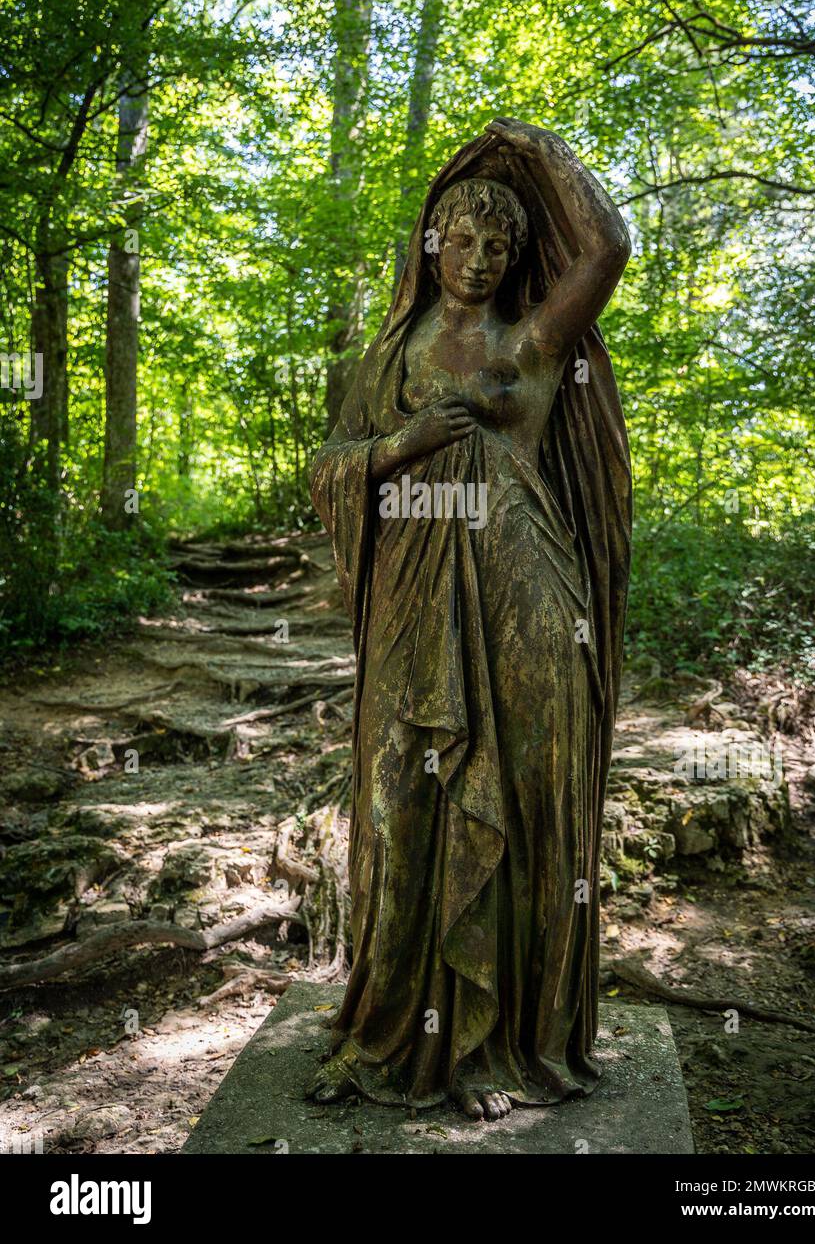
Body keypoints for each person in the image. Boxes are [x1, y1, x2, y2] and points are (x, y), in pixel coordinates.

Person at [309, 117, 632, 1120]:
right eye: (464, 237)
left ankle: (498, 1052)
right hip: (415, 598)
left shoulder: (529, 343)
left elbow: (608, 246)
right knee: (399, 801)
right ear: (429, 242)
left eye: (501, 244)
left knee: (527, 804)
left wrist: (528, 147)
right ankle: (386, 1037)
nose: (483, 258)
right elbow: (327, 470)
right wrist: (401, 442)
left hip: (529, 591)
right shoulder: (391, 351)